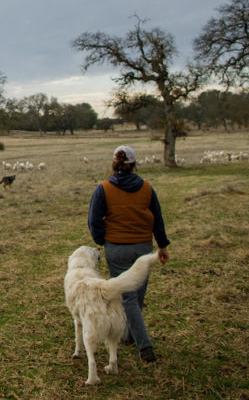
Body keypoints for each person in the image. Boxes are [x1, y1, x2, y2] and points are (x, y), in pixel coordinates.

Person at [87, 144, 170, 363]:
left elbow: (94, 221)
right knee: (137, 294)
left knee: (128, 297)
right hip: (143, 247)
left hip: (116, 247)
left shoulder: (103, 188)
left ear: (114, 164)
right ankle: (129, 336)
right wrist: (162, 245)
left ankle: (144, 345)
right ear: (133, 165)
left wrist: (102, 240)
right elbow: (158, 219)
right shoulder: (146, 188)